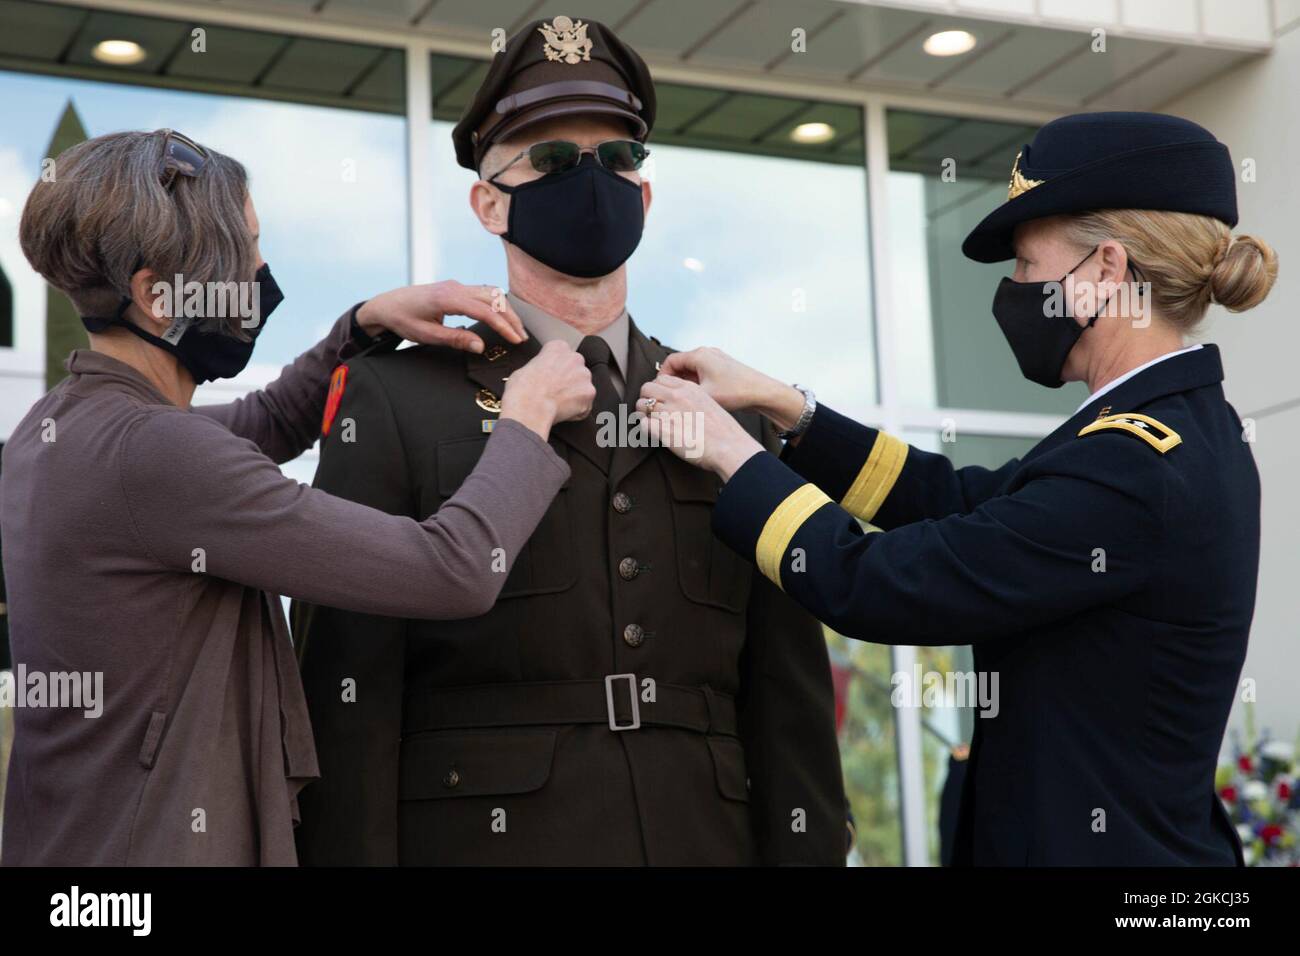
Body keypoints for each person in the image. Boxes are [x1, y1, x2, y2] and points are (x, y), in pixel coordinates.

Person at [637, 112, 1277, 866]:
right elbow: (958, 501)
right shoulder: (1164, 432)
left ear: (1107, 269)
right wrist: (789, 409)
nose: (1014, 291)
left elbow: (878, 583)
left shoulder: (1135, 463)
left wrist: (732, 456)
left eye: (1027, 266)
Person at [292, 16, 847, 866]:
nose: (594, 179)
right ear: (488, 202)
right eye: (551, 160)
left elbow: (788, 696)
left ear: (646, 196)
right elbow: (348, 691)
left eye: (620, 158)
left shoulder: (732, 413)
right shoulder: (395, 397)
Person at [1, 129, 594, 866]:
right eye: (245, 252)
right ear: (158, 296)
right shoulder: (159, 454)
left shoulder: (60, 428)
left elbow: (266, 423)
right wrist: (527, 419)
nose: (260, 271)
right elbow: (454, 568)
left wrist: (365, 323)